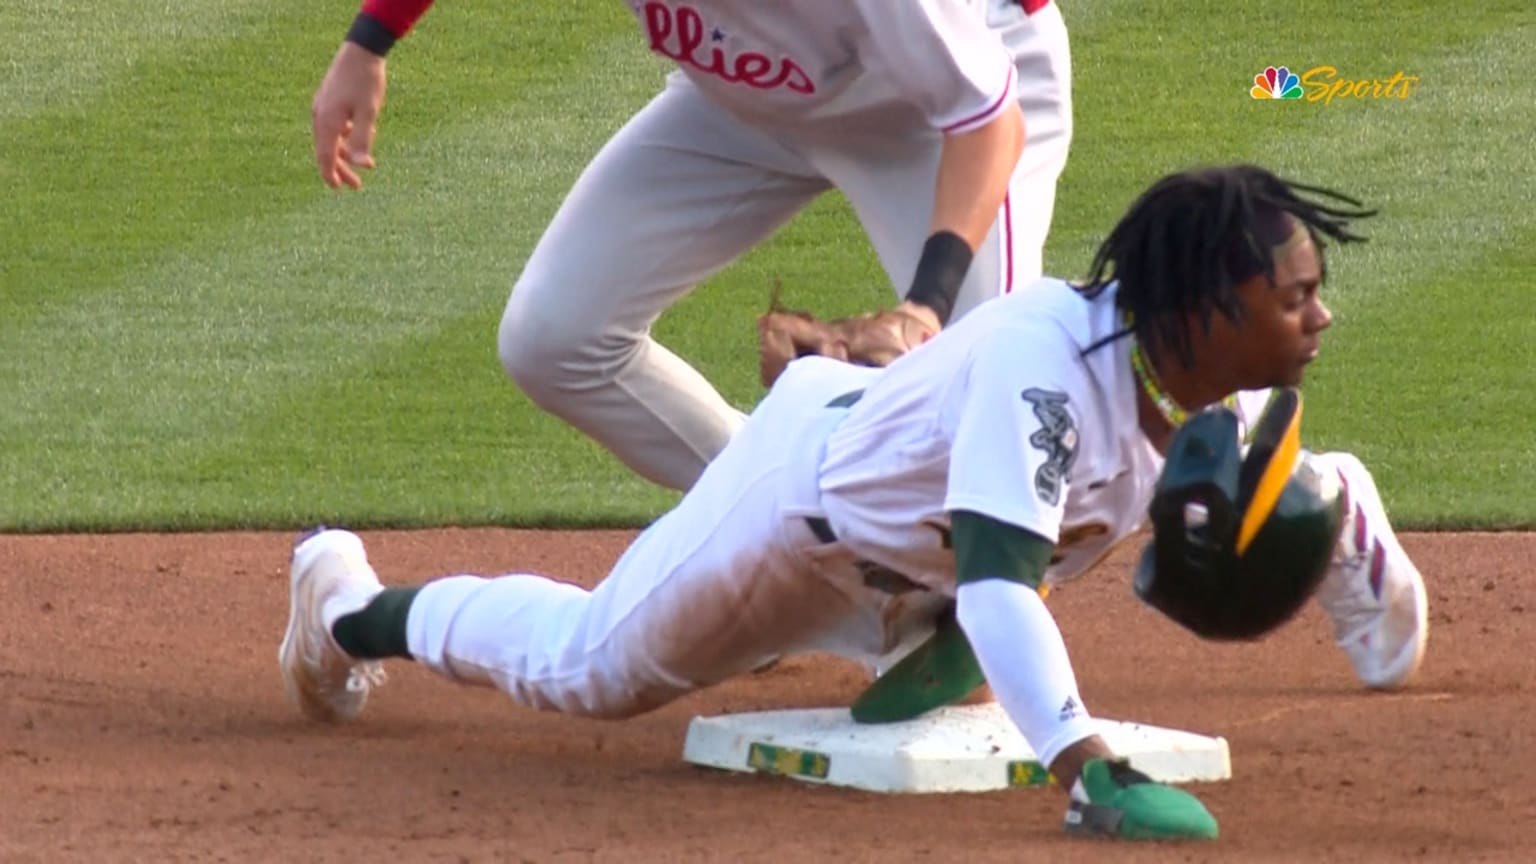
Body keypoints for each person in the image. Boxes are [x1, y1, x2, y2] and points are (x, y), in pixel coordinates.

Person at [278, 165, 1429, 840]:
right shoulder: (1050, 369)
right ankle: (347, 604)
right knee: (592, 670)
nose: (1319, 318)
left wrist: (1320, 520)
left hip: (912, 539)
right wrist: (1088, 770)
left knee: (1184, 526)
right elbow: (998, 579)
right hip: (798, 520)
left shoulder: (1204, 392)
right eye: (1295, 297)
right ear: (1211, 303)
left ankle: (1332, 503)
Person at [309, 0, 1074, 491]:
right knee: (555, 338)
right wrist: (370, 40)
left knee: (988, 403)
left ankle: (1169, 490)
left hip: (937, 114)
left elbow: (984, 119)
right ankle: (775, 529)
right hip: (741, 108)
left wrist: (926, 305)